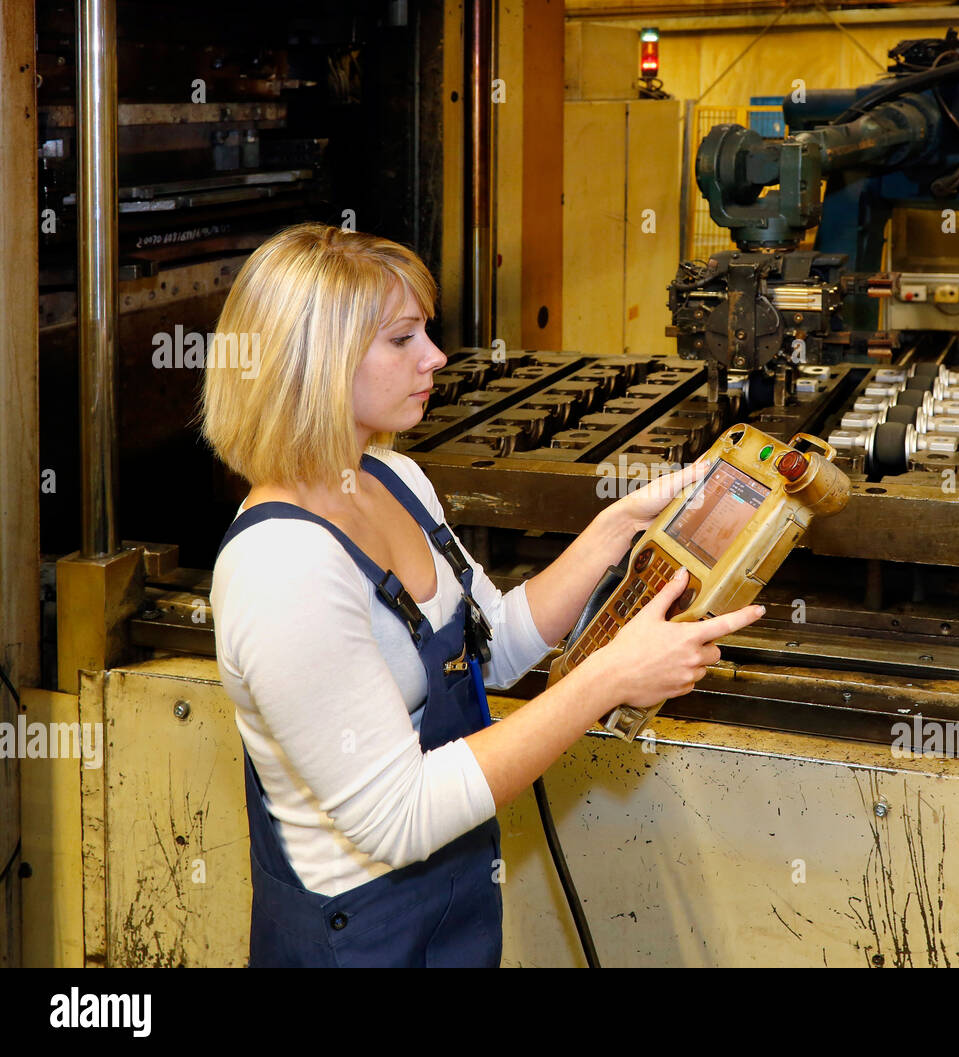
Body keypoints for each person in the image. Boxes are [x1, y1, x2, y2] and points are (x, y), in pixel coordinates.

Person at [202, 222, 764, 967]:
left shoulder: (390, 477)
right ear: (317, 362)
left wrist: (612, 532)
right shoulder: (283, 567)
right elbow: (397, 818)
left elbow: (490, 646)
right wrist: (608, 679)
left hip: (455, 906)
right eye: (402, 339)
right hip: (356, 937)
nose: (434, 357)